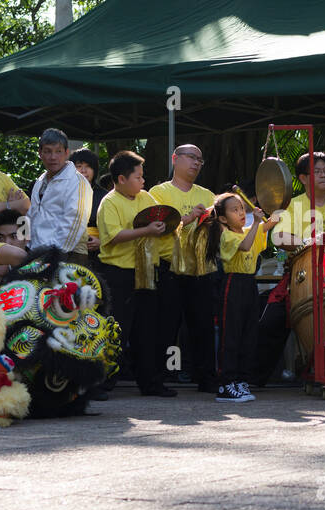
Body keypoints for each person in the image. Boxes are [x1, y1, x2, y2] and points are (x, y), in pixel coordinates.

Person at [254, 152, 325, 384]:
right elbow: (280, 237)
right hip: (301, 275)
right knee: (271, 322)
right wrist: (310, 243)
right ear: (303, 178)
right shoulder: (292, 204)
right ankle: (255, 376)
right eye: (318, 171)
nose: (324, 175)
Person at [96, 150, 174, 397]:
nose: (143, 181)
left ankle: (150, 383)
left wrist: (164, 226)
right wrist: (148, 231)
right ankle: (102, 384)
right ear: (121, 179)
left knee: (148, 329)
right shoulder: (109, 203)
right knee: (116, 329)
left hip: (145, 271)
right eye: (138, 177)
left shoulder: (145, 197)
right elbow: (114, 237)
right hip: (117, 273)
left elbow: (160, 220)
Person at [150, 144, 218, 392]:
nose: (196, 163)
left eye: (200, 160)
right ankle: (158, 378)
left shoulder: (209, 195)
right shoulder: (158, 192)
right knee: (166, 325)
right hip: (170, 267)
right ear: (175, 159)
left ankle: (207, 378)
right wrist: (189, 219)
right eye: (191, 158)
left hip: (201, 268)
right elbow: (156, 225)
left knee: (202, 326)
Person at [203, 192, 280, 403]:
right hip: (232, 284)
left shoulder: (248, 229)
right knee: (232, 334)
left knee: (249, 334)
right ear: (223, 219)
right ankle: (225, 384)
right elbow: (246, 245)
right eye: (234, 210)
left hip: (249, 285)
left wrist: (278, 204)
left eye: (241, 208)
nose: (240, 213)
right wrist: (256, 222)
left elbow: (268, 224)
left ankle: (241, 380)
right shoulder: (227, 235)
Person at [28, 129, 93, 260]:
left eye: (58, 151)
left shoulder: (78, 182)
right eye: (47, 151)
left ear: (66, 153)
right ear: (40, 153)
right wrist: (27, 246)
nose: (53, 157)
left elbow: (74, 222)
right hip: (38, 253)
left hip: (68, 255)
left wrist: (54, 255)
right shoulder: (40, 181)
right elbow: (32, 215)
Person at [70, 148, 106, 261]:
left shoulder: (105, 196)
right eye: (79, 166)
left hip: (97, 252)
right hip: (69, 251)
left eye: (88, 166)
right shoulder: (63, 193)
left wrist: (101, 242)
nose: (83, 171)